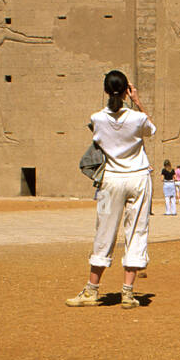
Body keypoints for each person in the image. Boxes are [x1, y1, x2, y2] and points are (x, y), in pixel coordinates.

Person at [66, 70, 155, 310]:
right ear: (127, 90)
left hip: (110, 181)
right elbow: (151, 130)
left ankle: (91, 290)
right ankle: (127, 293)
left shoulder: (96, 118)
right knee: (137, 230)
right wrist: (137, 101)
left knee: (104, 230)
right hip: (139, 178)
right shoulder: (137, 118)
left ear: (105, 91)